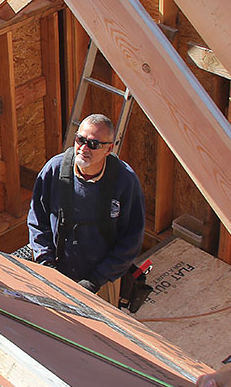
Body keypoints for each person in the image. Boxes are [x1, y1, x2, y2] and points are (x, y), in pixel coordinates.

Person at [27, 113, 146, 302]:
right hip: (57, 274)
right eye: (80, 140)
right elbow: (37, 220)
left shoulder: (125, 181)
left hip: (102, 282)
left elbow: (132, 239)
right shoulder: (55, 170)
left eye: (93, 144)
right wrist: (47, 265)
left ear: (109, 149)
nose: (83, 148)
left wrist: (95, 281)